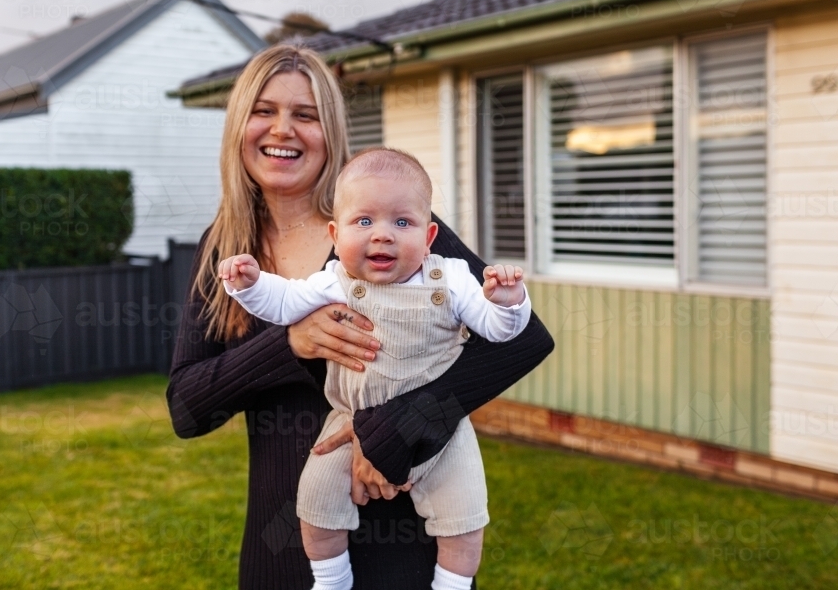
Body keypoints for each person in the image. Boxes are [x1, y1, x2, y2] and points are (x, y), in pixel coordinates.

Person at [166, 43, 555, 590]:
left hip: (400, 535)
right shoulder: (225, 251)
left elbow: (523, 339)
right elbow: (187, 408)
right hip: (280, 541)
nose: (282, 130)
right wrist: (290, 344)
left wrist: (396, 428)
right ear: (238, 127)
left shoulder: (388, 224)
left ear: (331, 131)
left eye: (305, 115)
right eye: (264, 110)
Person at [218, 148, 531, 590]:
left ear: (429, 236)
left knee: (464, 519)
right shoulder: (334, 280)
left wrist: (508, 303)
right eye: (364, 221)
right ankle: (331, 580)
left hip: (442, 431)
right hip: (348, 425)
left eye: (402, 223)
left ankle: (453, 585)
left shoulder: (452, 278)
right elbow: (285, 302)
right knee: (316, 504)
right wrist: (250, 285)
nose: (382, 235)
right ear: (336, 233)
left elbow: (499, 332)